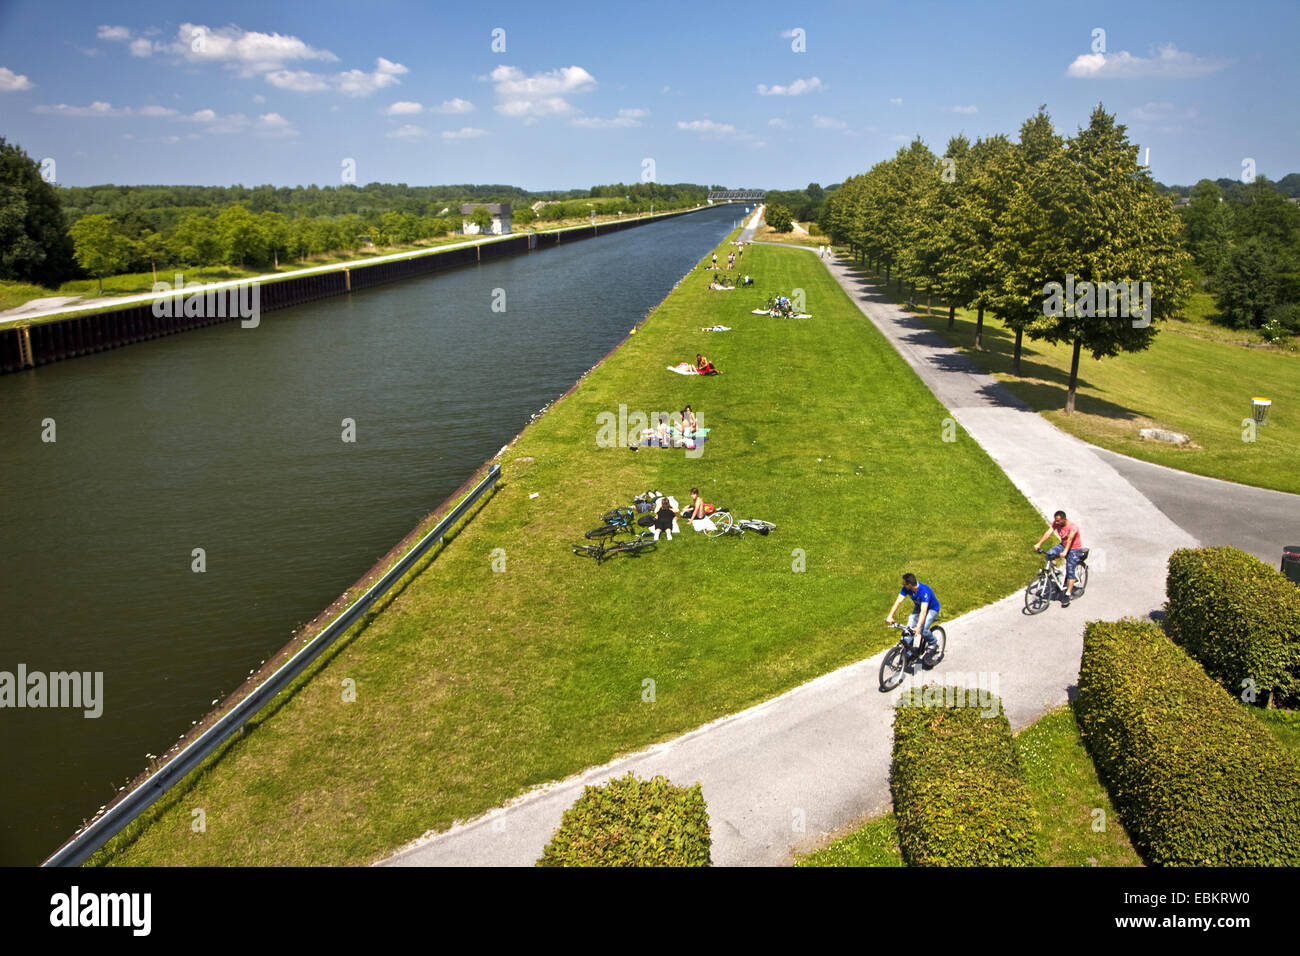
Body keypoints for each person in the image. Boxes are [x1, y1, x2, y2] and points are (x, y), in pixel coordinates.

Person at [1035, 510, 1084, 607]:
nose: (1056, 523)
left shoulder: (1072, 527)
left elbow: (1070, 539)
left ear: (1064, 519)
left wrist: (1065, 551)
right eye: (1055, 521)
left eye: (1058, 521)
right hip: (1063, 545)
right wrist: (1039, 543)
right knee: (1049, 554)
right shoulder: (1057, 523)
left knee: (1070, 570)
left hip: (1074, 549)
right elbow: (1049, 532)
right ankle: (1056, 571)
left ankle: (1068, 594)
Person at [885, 573, 940, 653]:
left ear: (910, 585)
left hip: (932, 609)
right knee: (908, 630)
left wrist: (918, 627)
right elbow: (898, 601)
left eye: (904, 583)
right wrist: (890, 616)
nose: (903, 585)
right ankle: (908, 655)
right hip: (918, 608)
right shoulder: (906, 588)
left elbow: (924, 611)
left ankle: (933, 642)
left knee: (923, 630)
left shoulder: (924, 591)